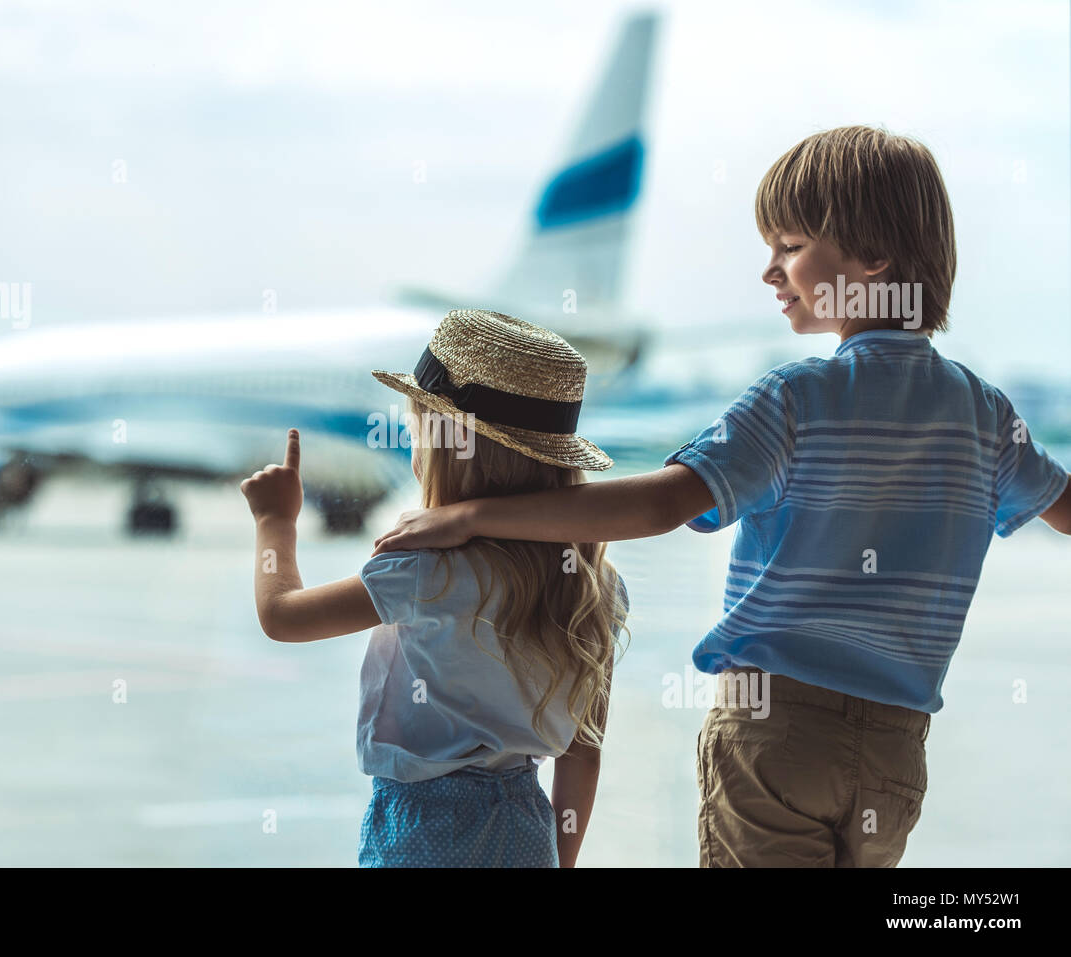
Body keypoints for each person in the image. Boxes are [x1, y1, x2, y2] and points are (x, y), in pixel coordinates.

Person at [370, 127, 1071, 867]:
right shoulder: (986, 414)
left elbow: (657, 505)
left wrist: (476, 514)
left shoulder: (798, 396)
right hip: (895, 750)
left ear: (873, 257)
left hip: (776, 731)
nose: (771, 271)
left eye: (790, 246)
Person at [240, 308, 630, 867]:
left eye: (421, 436)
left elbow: (282, 616)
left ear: (453, 452)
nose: (416, 454)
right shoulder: (595, 590)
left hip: (423, 833)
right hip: (526, 833)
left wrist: (275, 522)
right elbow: (583, 754)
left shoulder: (428, 570)